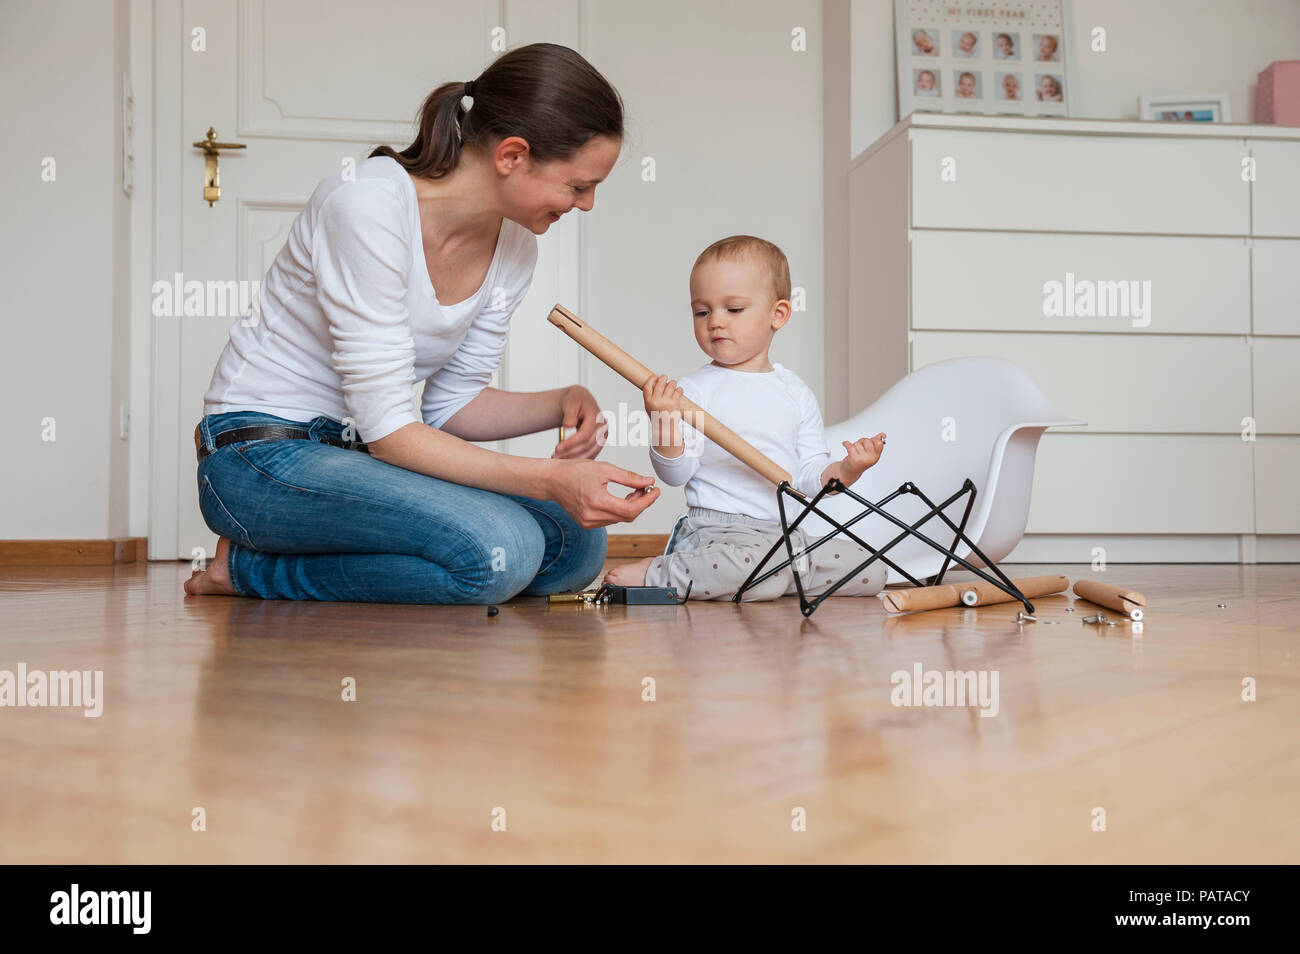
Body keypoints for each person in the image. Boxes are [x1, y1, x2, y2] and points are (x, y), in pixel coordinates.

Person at [185, 43, 660, 604]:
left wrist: (561, 400)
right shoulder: (367, 204)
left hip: (356, 455)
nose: (586, 205)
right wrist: (547, 478)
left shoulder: (514, 248)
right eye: (578, 186)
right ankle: (246, 572)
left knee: (576, 547)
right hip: (259, 456)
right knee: (496, 553)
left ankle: (298, 552)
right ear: (512, 155)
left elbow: (449, 407)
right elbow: (389, 430)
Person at [602, 236, 889, 602]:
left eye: (733, 309)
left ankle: (772, 577)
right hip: (718, 534)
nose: (715, 322)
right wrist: (663, 421)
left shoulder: (794, 391)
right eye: (702, 312)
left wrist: (849, 469)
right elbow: (675, 475)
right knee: (756, 568)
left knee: (871, 568)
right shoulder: (693, 392)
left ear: (778, 314)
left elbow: (807, 479)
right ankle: (657, 572)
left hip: (786, 535)